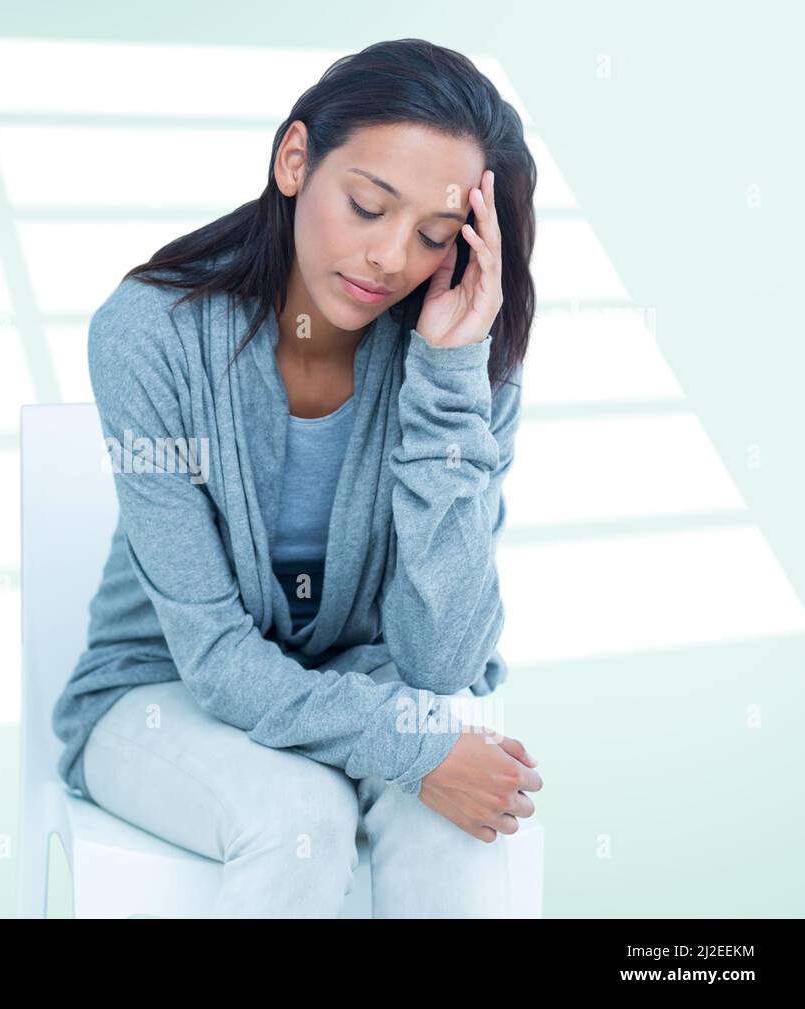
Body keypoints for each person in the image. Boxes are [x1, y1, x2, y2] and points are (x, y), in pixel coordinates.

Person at [52, 37, 544, 917]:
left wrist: (447, 380)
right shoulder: (150, 335)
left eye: (433, 235)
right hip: (158, 694)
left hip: (371, 682)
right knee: (297, 816)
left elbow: (441, 662)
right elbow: (213, 660)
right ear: (294, 159)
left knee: (459, 830)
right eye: (366, 205)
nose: (392, 257)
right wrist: (411, 745)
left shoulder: (468, 361)